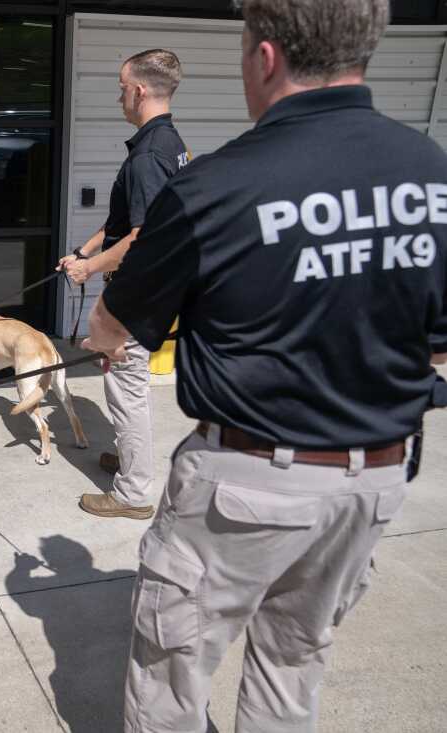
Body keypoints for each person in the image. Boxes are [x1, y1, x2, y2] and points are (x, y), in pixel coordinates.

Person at [81, 1, 446, 730]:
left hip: (246, 484)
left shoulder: (216, 185)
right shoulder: (434, 174)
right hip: (371, 481)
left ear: (267, 56)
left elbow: (111, 329)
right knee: (291, 666)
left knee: (170, 673)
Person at [58, 49, 190, 521]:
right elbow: (122, 223)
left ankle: (133, 492)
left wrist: (89, 270)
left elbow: (143, 236)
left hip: (137, 292)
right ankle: (130, 461)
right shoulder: (167, 143)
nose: (118, 97)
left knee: (127, 387)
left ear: (138, 90)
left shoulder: (150, 156)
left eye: (121, 88)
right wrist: (85, 252)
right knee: (123, 384)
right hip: (142, 287)